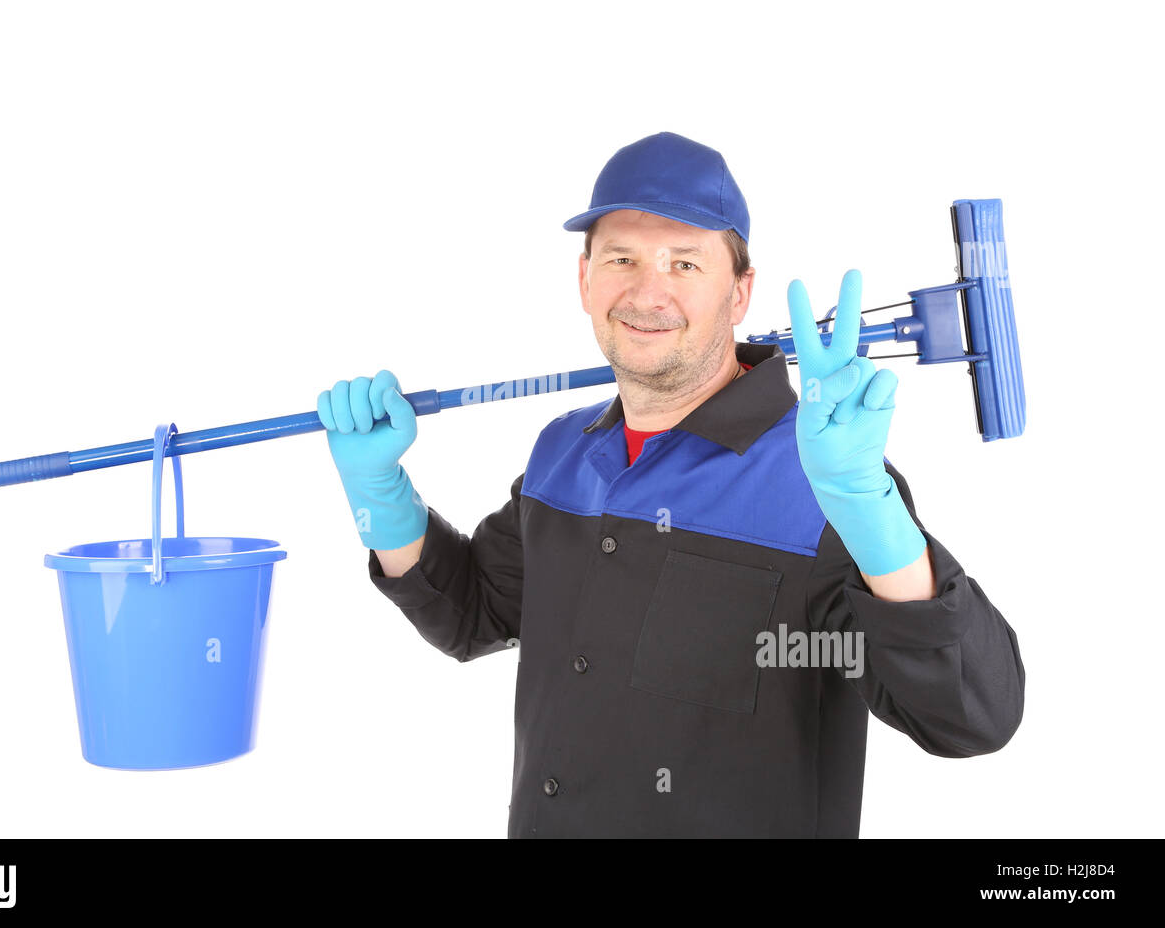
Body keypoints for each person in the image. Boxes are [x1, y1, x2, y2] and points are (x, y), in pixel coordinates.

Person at [316, 131, 1025, 838]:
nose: (647, 290)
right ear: (584, 279)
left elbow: (972, 714)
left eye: (684, 263)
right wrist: (379, 491)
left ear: (740, 292)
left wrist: (869, 509)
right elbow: (472, 614)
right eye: (621, 258)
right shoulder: (563, 451)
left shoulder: (825, 481)